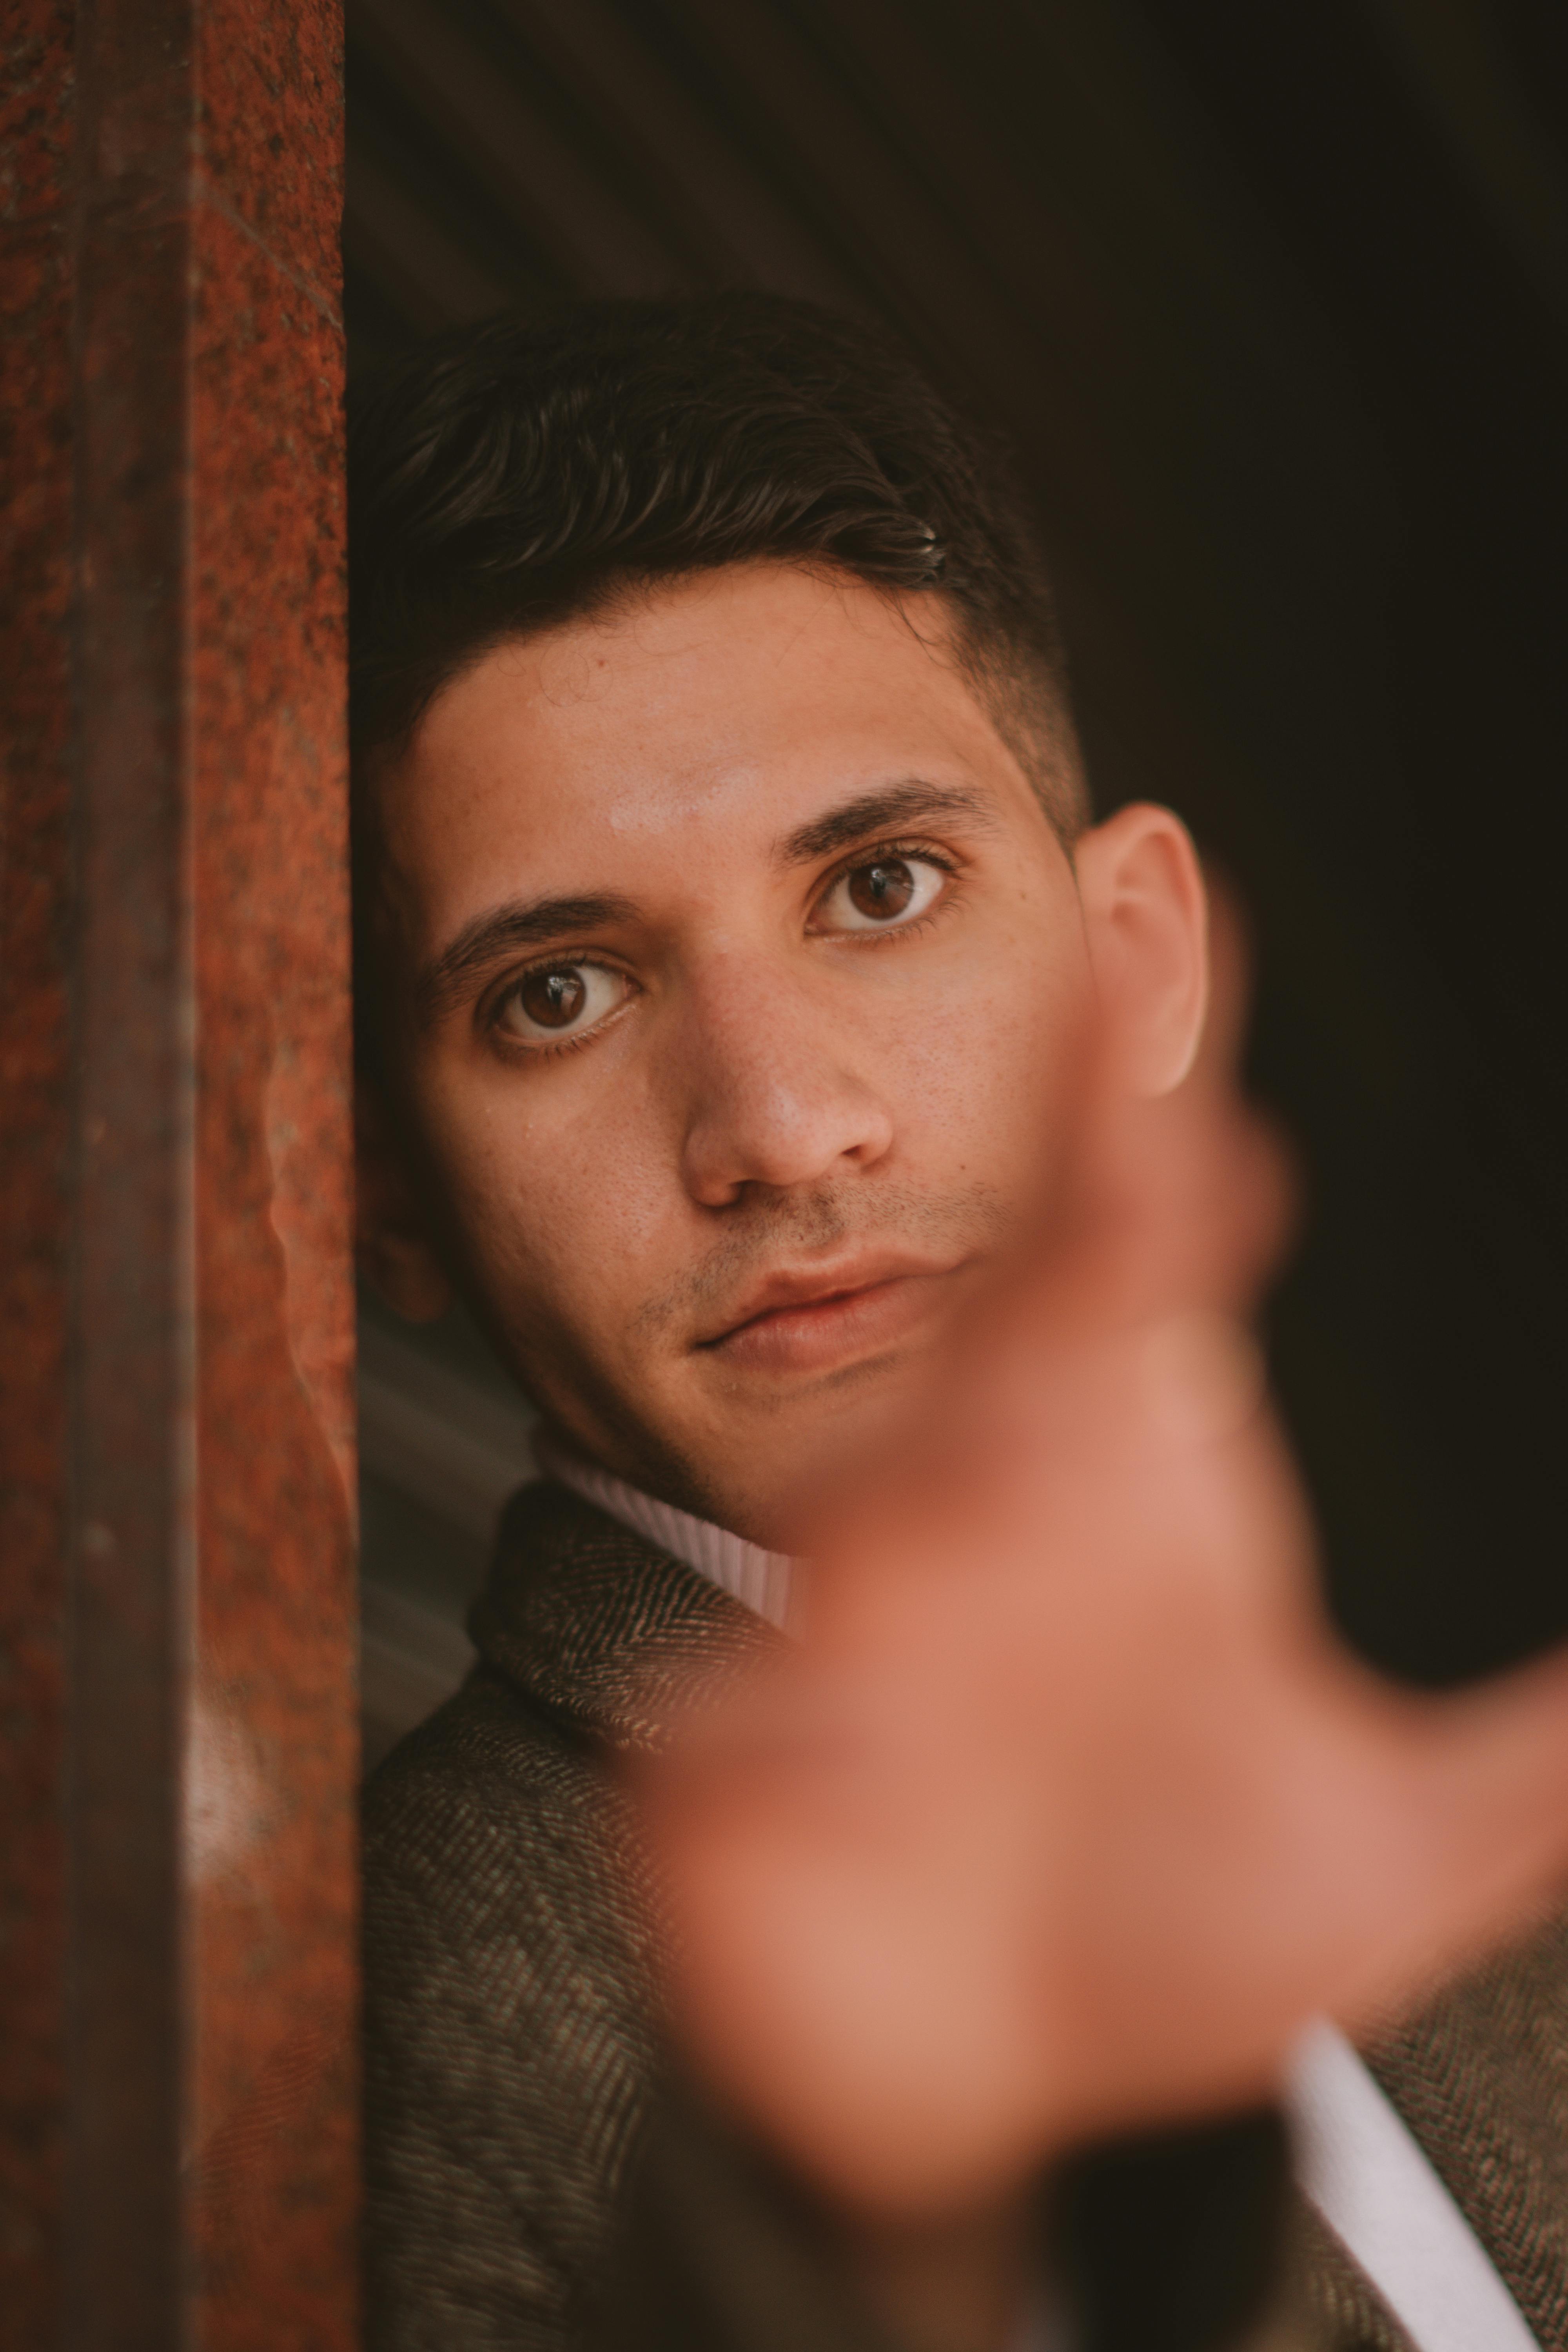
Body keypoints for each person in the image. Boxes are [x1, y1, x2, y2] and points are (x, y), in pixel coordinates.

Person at [351, 296, 1568, 2352]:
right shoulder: (370, 2031)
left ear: (1137, 970)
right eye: (558, 990)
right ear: (380, 1200)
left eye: (883, 888)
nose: (783, 1124)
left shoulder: (1416, 1794)